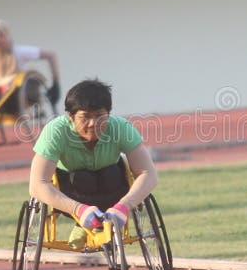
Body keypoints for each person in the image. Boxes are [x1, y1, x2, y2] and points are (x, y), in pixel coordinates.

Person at [28, 79, 158, 249]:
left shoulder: (121, 128)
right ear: (70, 116)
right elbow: (37, 185)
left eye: (99, 116)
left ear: (109, 114)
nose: (93, 124)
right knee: (82, 177)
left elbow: (148, 174)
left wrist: (125, 206)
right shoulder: (55, 131)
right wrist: (78, 210)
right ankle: (82, 224)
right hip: (72, 191)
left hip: (113, 191)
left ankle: (98, 223)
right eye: (85, 117)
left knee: (111, 173)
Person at [0, 19, 61, 106]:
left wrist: (56, 83)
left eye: (0, 35)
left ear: (7, 36)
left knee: (29, 81)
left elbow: (51, 55)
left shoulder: (18, 52)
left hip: (13, 92)